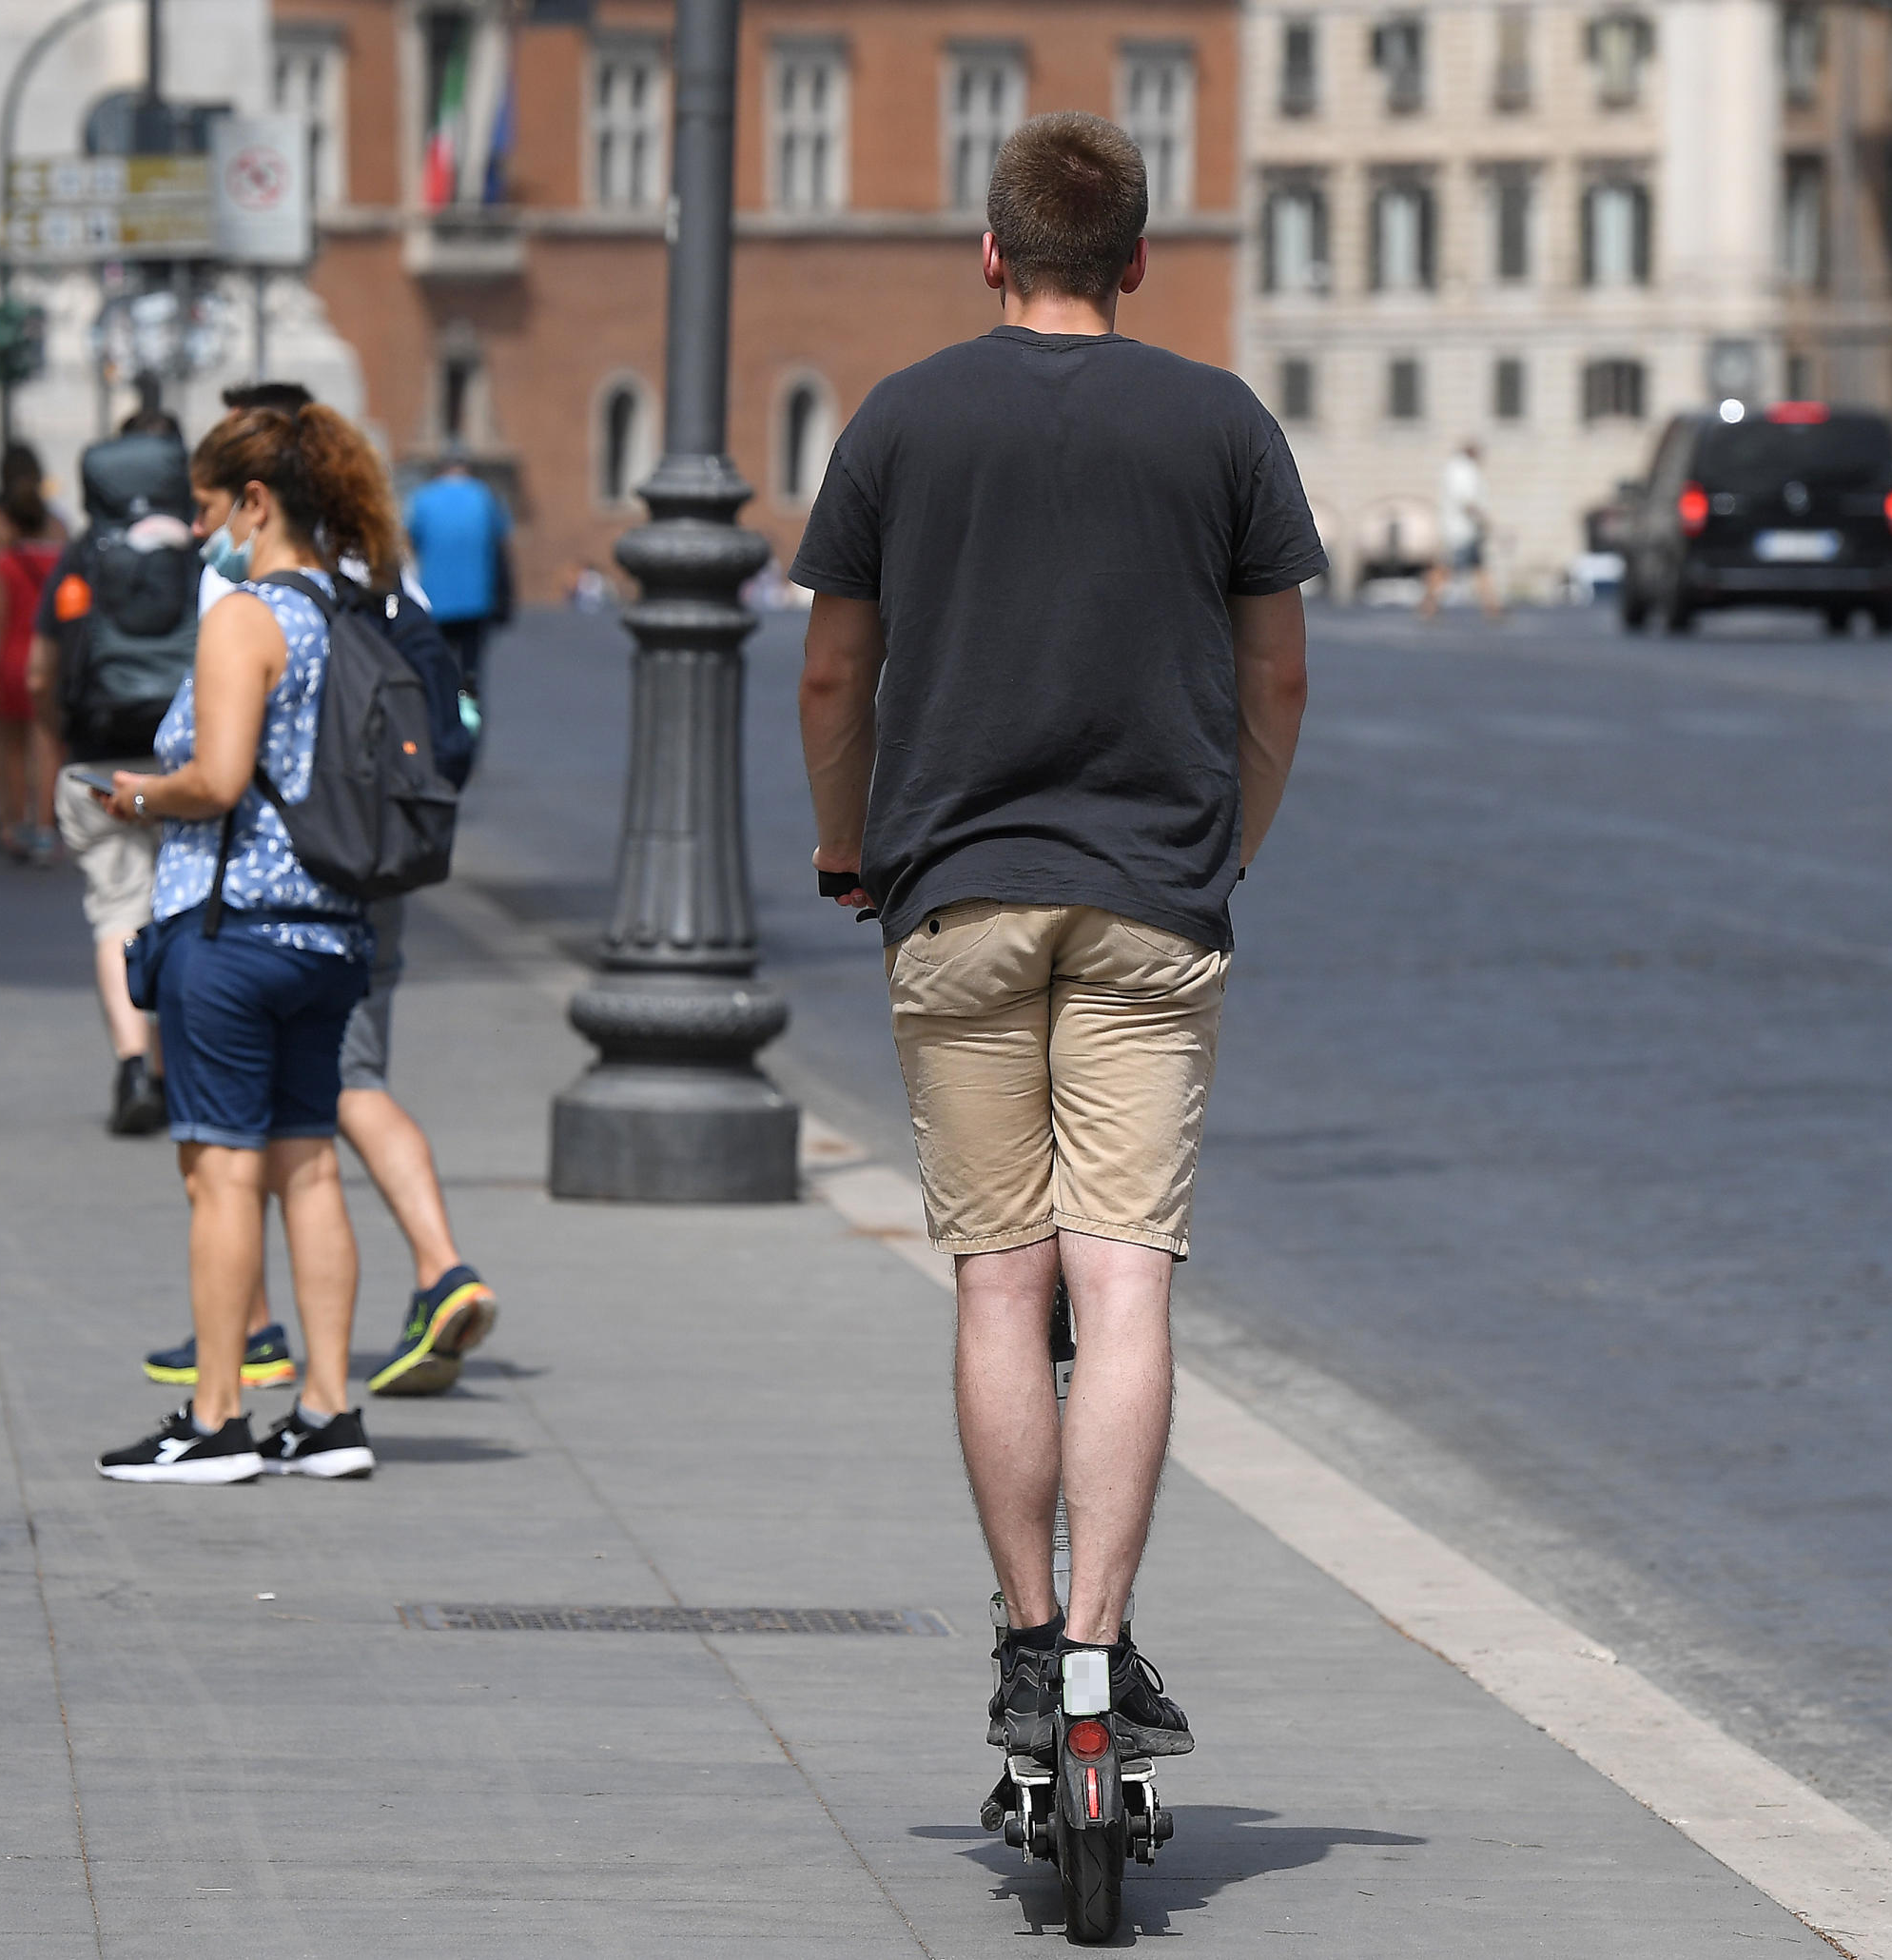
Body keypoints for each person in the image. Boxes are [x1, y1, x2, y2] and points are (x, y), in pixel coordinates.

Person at [790, 111, 1317, 1762]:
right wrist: (1229, 840)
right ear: (1136, 259)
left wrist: (845, 843)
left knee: (1000, 1282)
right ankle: (1102, 1649)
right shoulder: (1222, 423)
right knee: (1126, 1279)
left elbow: (832, 670)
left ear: (992, 254)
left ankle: (1028, 1642)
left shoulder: (898, 420)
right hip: (1154, 896)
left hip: (953, 891)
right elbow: (1278, 675)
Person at [90, 402, 400, 1484]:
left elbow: (217, 780)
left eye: (209, 506)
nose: (200, 529)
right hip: (332, 930)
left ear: (256, 504)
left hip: (232, 928)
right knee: (308, 1165)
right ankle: (327, 1411)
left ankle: (217, 1417)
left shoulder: (246, 618)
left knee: (221, 1173)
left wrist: (138, 795)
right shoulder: (353, 609)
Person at [49, 411, 202, 1135]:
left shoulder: (86, 552)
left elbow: (49, 660)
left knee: (118, 913)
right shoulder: (203, 555)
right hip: (185, 758)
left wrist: (59, 739)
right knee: (181, 912)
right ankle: (173, 1071)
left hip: (99, 757)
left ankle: (134, 1064)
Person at [0, 443, 70, 861]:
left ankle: (13, 824)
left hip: (9, 653)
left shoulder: (0, 548)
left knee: (8, 744)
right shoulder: (61, 539)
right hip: (50, 653)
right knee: (47, 744)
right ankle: (46, 826)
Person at [403, 454, 509, 704]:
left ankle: (445, 711)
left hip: (435, 599)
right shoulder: (483, 495)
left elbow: (413, 539)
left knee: (438, 665)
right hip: (476, 598)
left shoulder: (424, 498)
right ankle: (469, 711)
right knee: (471, 668)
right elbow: (499, 535)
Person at [1421, 437, 1500, 620]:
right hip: (1461, 530)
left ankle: (1492, 608)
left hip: (1468, 530)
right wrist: (1483, 520)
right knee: (1446, 568)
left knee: (1479, 569)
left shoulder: (1459, 469)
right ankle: (1428, 604)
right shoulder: (1462, 470)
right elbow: (1466, 500)